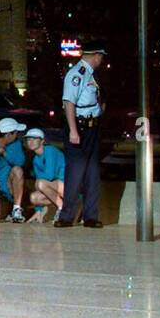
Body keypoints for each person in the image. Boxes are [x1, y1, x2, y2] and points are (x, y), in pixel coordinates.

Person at [57, 41, 106, 228]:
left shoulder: (92, 75)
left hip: (92, 127)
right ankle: (66, 216)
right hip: (80, 127)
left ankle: (91, 216)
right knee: (76, 171)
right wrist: (73, 130)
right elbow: (69, 103)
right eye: (100, 56)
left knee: (92, 172)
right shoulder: (77, 74)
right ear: (95, 55)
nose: (101, 59)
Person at [24, 128, 65, 223]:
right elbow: (40, 182)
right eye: (29, 139)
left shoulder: (50, 150)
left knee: (40, 183)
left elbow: (49, 176)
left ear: (42, 141)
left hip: (68, 187)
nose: (31, 142)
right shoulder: (36, 159)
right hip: (55, 187)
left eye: (34, 139)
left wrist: (38, 182)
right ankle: (58, 206)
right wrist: (38, 210)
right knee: (34, 197)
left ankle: (62, 208)